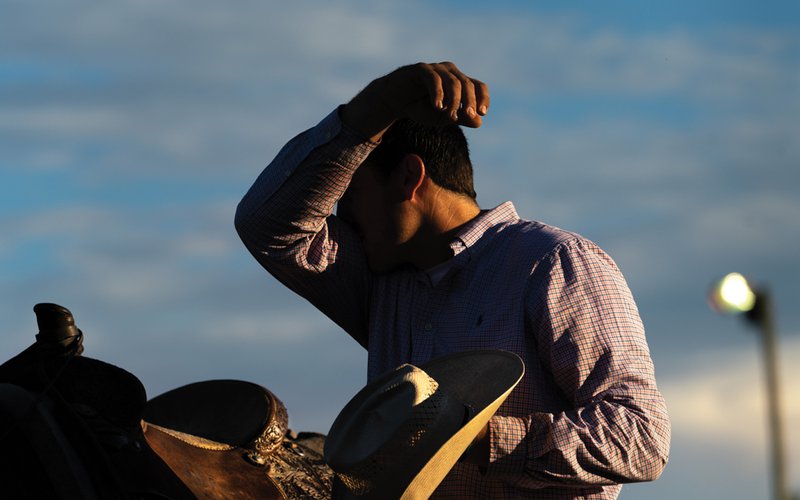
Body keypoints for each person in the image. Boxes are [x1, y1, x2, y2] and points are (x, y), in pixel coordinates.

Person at [235, 61, 670, 499]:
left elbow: (640, 438)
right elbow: (267, 225)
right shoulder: (383, 284)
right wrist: (375, 106)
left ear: (409, 177)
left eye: (350, 194)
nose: (339, 215)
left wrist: (474, 438)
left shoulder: (553, 261)